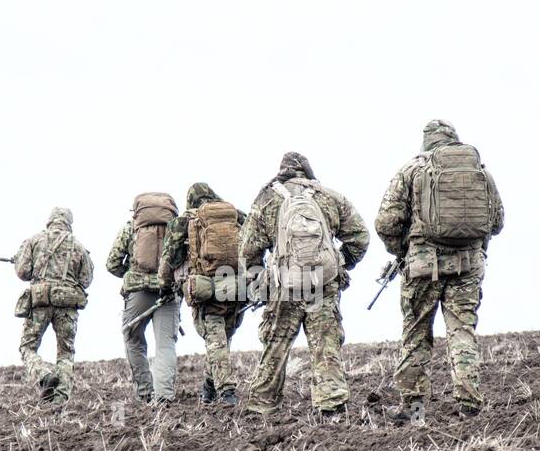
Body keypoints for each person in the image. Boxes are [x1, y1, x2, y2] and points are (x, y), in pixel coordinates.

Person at [375, 119, 504, 421]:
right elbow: (496, 222)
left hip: (422, 267)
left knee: (417, 334)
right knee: (462, 332)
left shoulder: (410, 170)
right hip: (468, 266)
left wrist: (402, 251)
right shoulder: (480, 172)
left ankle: (414, 410)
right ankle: (469, 404)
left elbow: (386, 222)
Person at [240, 152, 369, 417]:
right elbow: (360, 237)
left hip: (284, 285)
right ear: (307, 172)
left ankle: (262, 405)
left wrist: (261, 278)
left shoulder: (266, 198)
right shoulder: (328, 196)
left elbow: (247, 250)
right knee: (325, 343)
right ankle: (331, 405)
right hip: (324, 284)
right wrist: (339, 262)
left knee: (276, 343)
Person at [158, 183, 247, 406]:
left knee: (215, 340)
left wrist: (165, 285)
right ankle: (209, 387)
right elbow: (253, 242)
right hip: (236, 287)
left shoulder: (185, 220)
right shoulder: (234, 214)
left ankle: (226, 392)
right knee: (221, 341)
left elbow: (169, 258)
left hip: (205, 288)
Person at [12, 207, 93, 405]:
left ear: (49, 221)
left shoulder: (34, 241)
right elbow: (86, 279)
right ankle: (60, 399)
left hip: (40, 301)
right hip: (67, 305)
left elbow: (23, 272)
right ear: (69, 222)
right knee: (65, 353)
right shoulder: (79, 247)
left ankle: (43, 374)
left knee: (27, 347)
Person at [106, 192, 181, 404]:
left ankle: (145, 393)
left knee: (133, 339)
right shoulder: (176, 229)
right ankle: (164, 396)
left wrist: (130, 274)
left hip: (138, 293)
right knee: (165, 344)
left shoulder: (131, 228)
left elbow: (112, 262)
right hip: (169, 292)